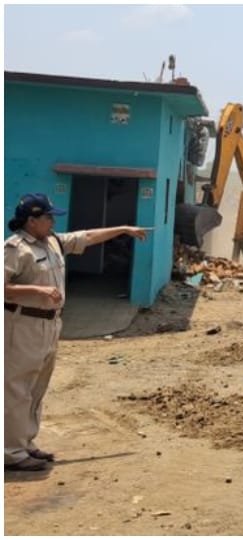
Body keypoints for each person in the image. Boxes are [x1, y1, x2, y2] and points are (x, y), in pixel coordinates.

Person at [4, 193, 149, 472]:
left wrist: (123, 229)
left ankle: (25, 443)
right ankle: (11, 452)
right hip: (22, 325)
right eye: (47, 217)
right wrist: (37, 290)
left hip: (50, 324)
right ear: (31, 221)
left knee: (36, 389)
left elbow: (89, 236)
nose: (52, 221)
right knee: (16, 389)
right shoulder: (15, 249)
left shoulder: (54, 242)